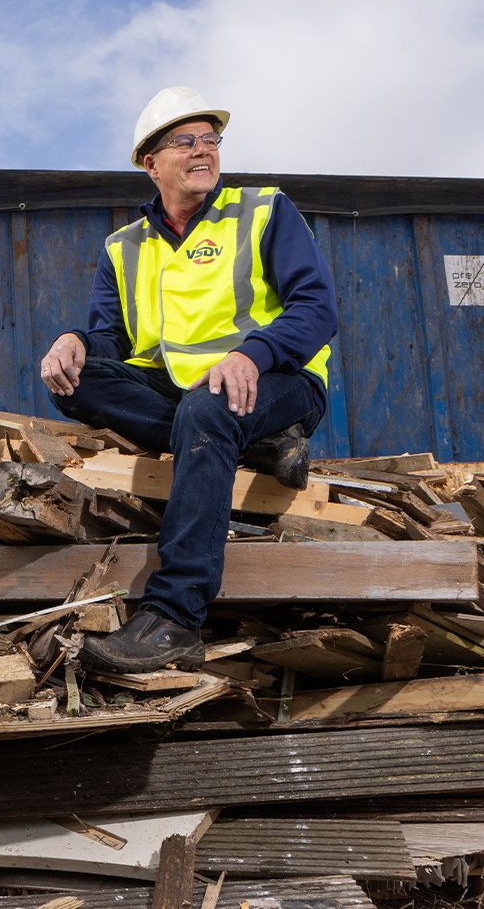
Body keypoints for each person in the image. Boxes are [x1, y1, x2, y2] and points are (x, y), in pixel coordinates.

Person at [40, 87, 339, 673]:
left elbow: (316, 307)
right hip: (187, 393)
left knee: (207, 409)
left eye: (210, 139)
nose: (203, 151)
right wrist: (75, 341)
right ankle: (260, 448)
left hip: (278, 382)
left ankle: (176, 617)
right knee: (75, 381)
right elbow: (115, 343)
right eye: (186, 141)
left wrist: (253, 354)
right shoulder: (123, 247)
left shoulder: (262, 210)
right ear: (151, 164)